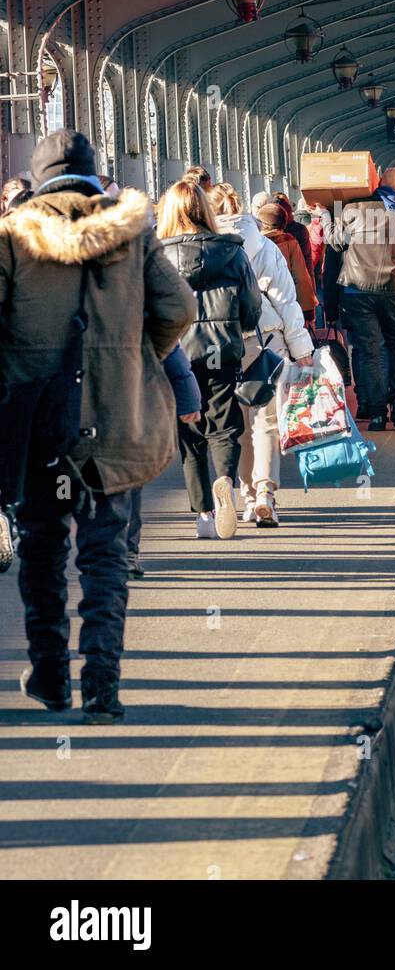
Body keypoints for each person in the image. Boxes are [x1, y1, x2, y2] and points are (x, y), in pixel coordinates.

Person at [0, 129, 195, 723]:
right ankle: (103, 686)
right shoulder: (133, 231)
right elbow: (180, 309)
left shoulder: (11, 236)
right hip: (114, 420)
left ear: (37, 179)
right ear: (92, 172)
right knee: (105, 552)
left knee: (41, 546)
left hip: (37, 424)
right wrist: (134, 360)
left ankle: (52, 676)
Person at [157, 179, 261, 539]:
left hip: (176, 353)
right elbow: (251, 307)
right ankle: (224, 486)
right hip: (220, 350)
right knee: (225, 425)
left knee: (189, 431)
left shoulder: (156, 257)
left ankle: (202, 514)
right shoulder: (233, 251)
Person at [209, 184, 314, 526]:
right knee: (266, 420)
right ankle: (265, 492)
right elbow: (286, 301)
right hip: (265, 340)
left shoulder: (204, 246)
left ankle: (247, 495)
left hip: (220, 343)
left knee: (236, 424)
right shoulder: (264, 246)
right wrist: (302, 350)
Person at [325, 166, 395, 432]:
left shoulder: (354, 208)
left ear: (377, 183)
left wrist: (323, 214)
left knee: (371, 351)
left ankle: (377, 414)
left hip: (359, 289)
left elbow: (336, 242)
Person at [126, 342, 202, 578]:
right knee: (126, 484)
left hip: (77, 404)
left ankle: (117, 552)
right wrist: (188, 398)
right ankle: (125, 552)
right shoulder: (134, 306)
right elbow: (168, 340)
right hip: (127, 406)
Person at [257, 201, 317, 323]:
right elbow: (300, 277)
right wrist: (308, 311)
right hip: (285, 301)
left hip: (259, 305)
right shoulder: (289, 242)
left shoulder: (252, 242)